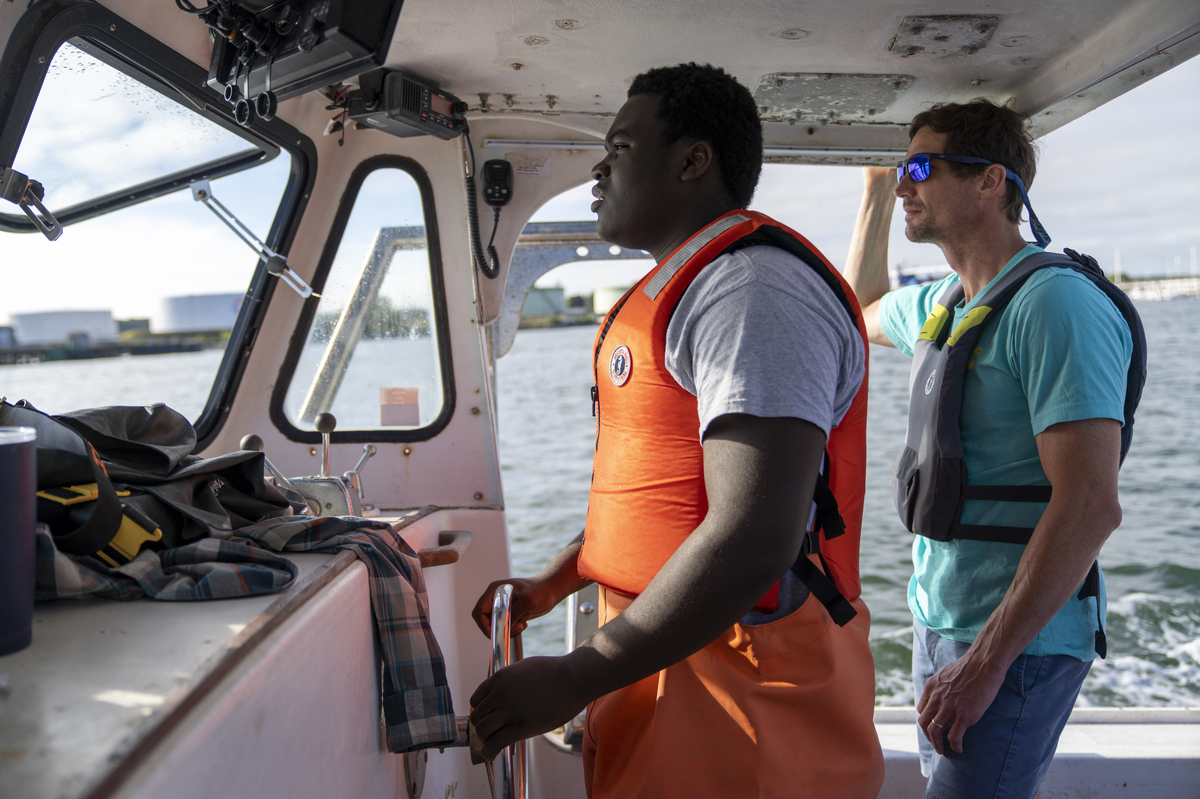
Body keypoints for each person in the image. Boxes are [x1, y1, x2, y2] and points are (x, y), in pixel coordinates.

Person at [469, 63, 884, 798]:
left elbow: (756, 535)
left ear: (693, 160)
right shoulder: (694, 287)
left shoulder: (753, 292)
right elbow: (665, 498)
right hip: (661, 656)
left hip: (740, 688)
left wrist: (575, 673)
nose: (599, 167)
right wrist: (553, 585)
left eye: (621, 147)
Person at [844, 100, 1145, 798]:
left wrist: (985, 663)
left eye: (921, 167)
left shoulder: (1054, 306)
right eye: (900, 169)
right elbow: (857, 312)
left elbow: (1091, 504)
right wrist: (871, 194)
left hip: (1018, 645)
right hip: (941, 621)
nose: (903, 183)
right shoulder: (948, 303)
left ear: (990, 181)